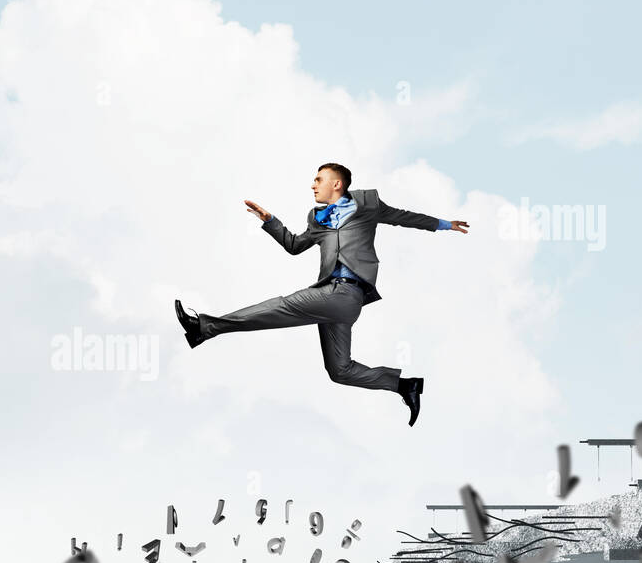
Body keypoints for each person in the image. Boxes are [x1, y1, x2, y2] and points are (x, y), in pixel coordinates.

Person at [174, 162, 468, 426]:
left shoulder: (368, 205)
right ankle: (404, 386)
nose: (313, 185)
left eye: (318, 179)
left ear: (336, 184)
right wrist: (269, 220)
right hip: (331, 297)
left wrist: (445, 225)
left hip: (347, 294)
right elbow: (293, 245)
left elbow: (404, 217)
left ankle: (205, 327)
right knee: (340, 370)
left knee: (283, 306)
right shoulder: (317, 220)